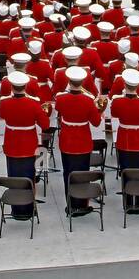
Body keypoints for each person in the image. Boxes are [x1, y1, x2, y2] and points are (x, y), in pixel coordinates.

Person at [0, 71, 50, 219]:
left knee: (13, 176)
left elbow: (2, 115)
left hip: (11, 144)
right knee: (29, 177)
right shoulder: (33, 103)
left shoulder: (5, 102)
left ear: (12, 87)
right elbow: (45, 124)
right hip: (28, 144)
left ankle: (16, 210)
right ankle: (28, 209)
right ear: (26, 86)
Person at [53, 66, 103, 214]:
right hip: (83, 140)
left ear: (69, 80)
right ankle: (82, 205)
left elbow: (59, 110)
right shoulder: (88, 100)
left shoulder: (61, 97)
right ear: (82, 81)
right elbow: (96, 122)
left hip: (67, 139)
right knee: (83, 173)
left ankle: (70, 205)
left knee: (68, 172)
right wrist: (98, 108)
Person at [110, 68, 139, 213]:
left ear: (124, 84)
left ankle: (128, 204)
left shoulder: (117, 101)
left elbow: (114, 113)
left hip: (124, 140)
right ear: (137, 86)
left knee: (126, 172)